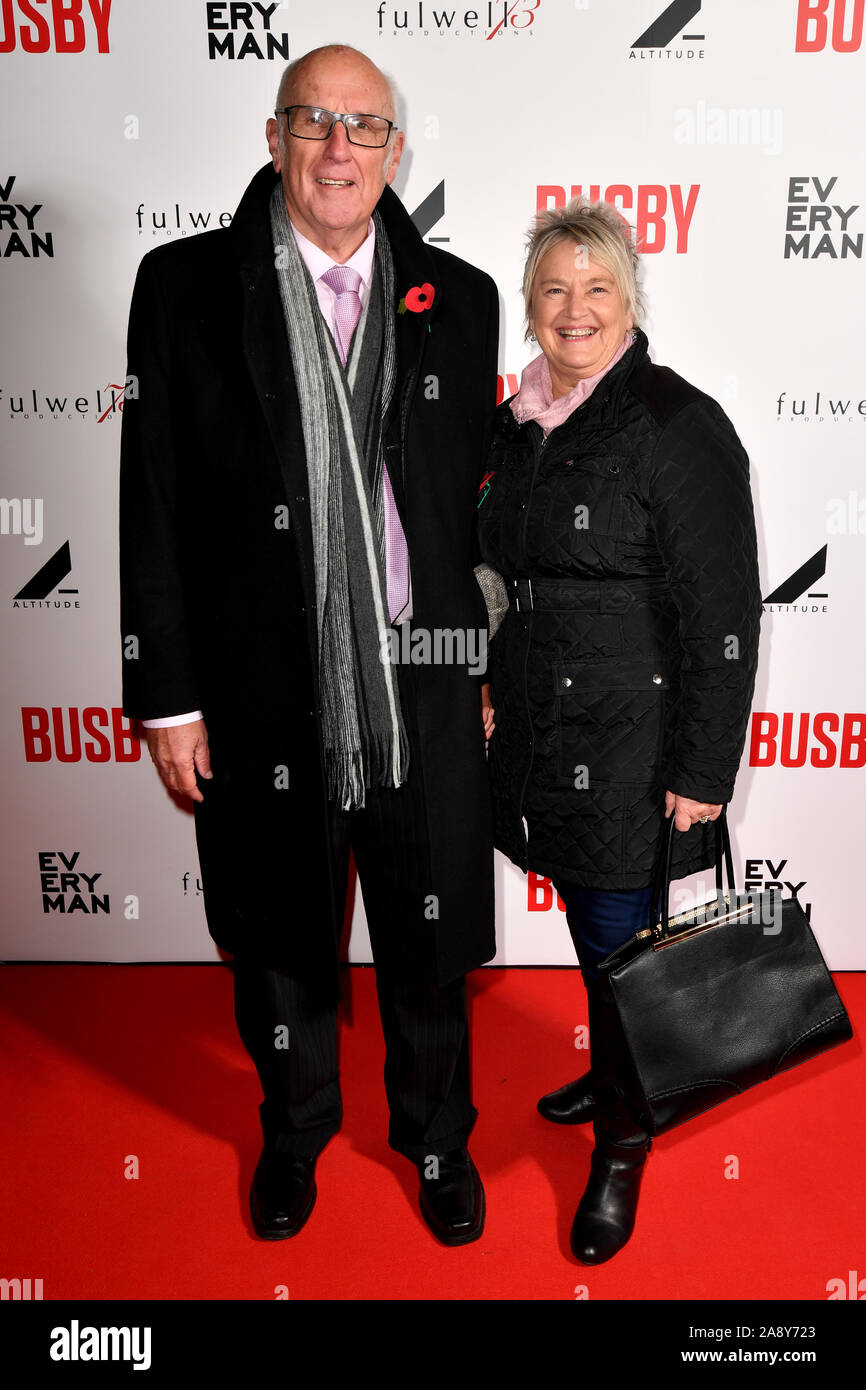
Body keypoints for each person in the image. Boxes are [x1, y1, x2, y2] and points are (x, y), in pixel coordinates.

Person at [119, 44, 500, 1246]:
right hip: (261, 686)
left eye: (363, 128)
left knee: (426, 936)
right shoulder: (181, 287)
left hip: (416, 686)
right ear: (275, 137)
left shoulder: (462, 294)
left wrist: (471, 658)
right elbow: (153, 494)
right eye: (313, 122)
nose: (339, 150)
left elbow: (467, 509)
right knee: (279, 939)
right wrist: (167, 694)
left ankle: (436, 1137)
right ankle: (295, 1132)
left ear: (396, 151)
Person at [477, 198, 761, 1263]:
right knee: (600, 943)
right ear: (530, 306)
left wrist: (701, 768)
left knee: (619, 959)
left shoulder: (675, 423)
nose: (574, 307)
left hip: (635, 752)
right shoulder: (516, 422)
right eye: (553, 287)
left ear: (633, 298)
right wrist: (487, 684)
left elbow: (723, 612)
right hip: (542, 742)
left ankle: (622, 1141)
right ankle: (611, 1077)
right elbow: (502, 575)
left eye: (596, 286)